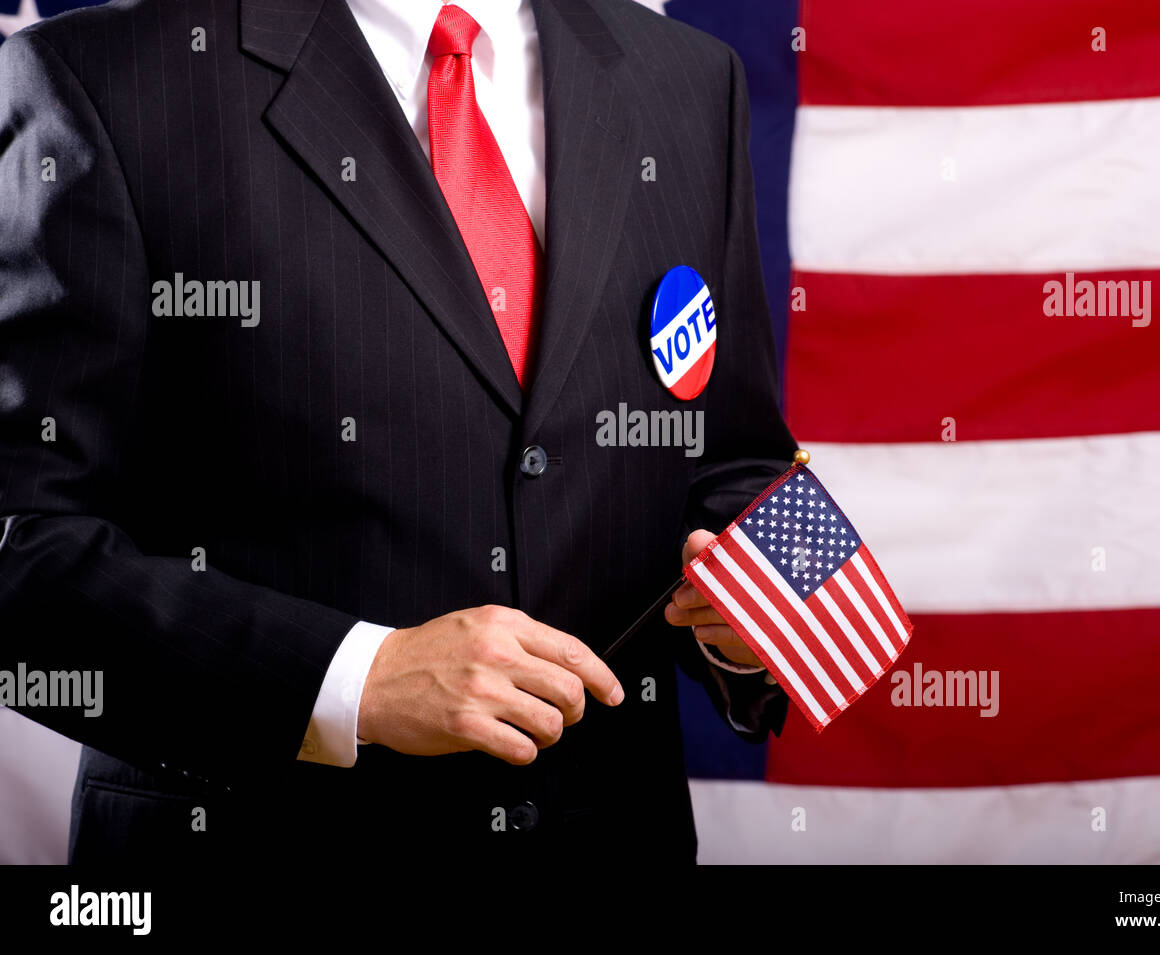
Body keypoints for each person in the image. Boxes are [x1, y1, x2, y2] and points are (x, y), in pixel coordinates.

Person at [0, 0, 794, 864]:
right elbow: (23, 546)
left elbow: (732, 455)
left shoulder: (686, 76)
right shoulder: (99, 77)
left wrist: (766, 614)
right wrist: (355, 680)